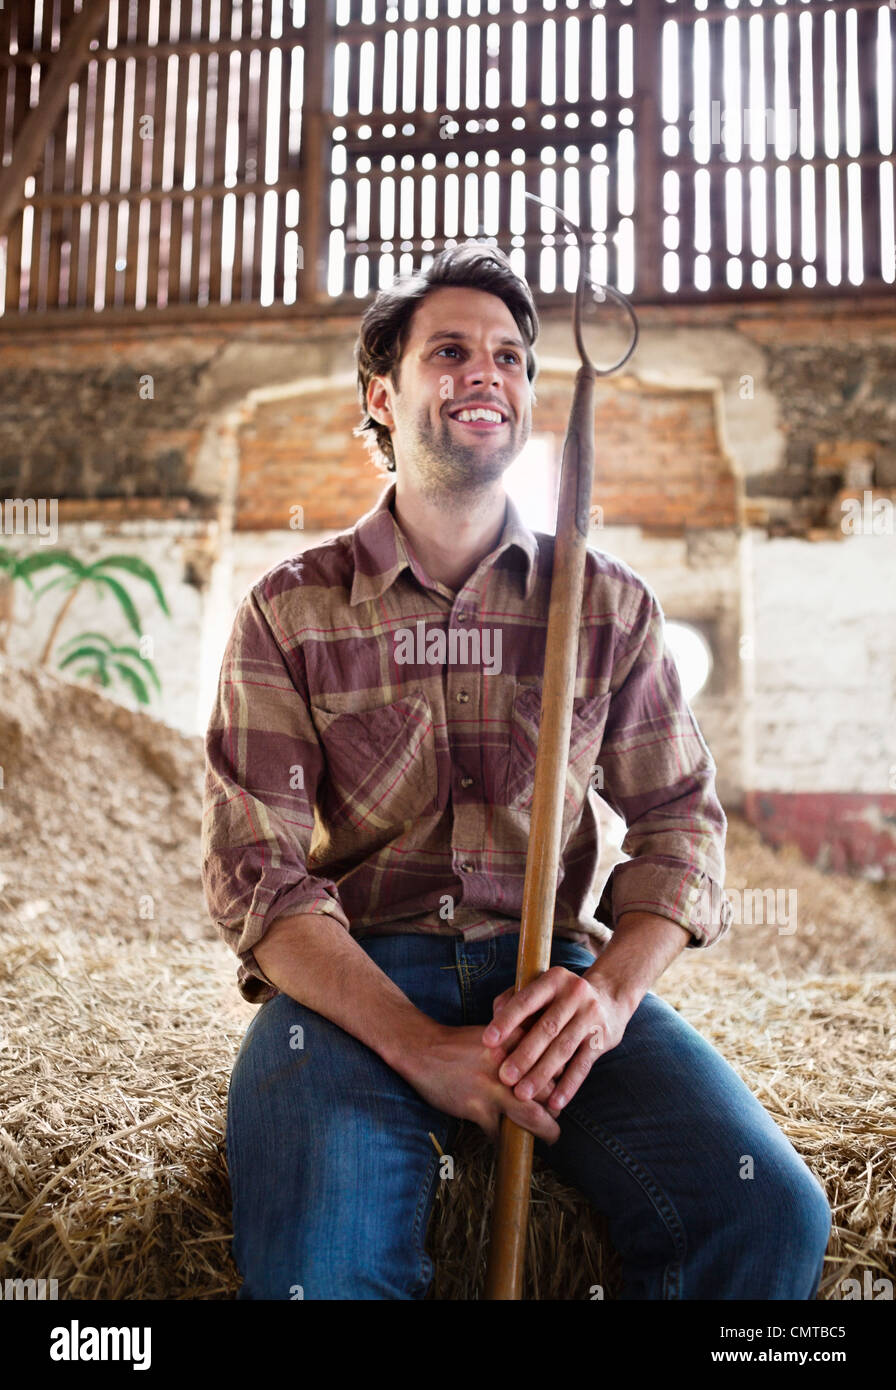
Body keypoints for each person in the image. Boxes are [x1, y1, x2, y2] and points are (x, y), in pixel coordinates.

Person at [201, 243, 832, 1301]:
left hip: (550, 978)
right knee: (322, 1259)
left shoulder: (606, 604)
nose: (484, 372)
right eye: (448, 351)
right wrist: (418, 1045)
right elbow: (256, 872)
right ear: (381, 395)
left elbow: (680, 820)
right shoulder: (289, 610)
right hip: (357, 984)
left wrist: (610, 998)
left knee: (767, 1213)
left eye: (508, 356)